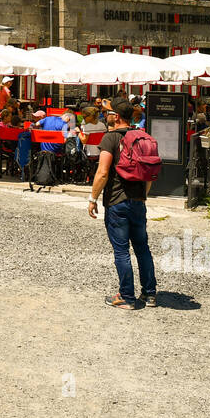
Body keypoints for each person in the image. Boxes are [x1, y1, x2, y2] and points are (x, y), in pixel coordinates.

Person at [89, 100, 157, 309]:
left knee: (121, 251)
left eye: (109, 112)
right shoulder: (141, 137)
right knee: (142, 248)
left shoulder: (110, 138)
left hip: (117, 201)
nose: (106, 114)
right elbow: (149, 176)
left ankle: (126, 296)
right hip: (138, 201)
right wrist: (142, 196)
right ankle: (150, 294)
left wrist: (92, 198)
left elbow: (102, 172)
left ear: (116, 116)